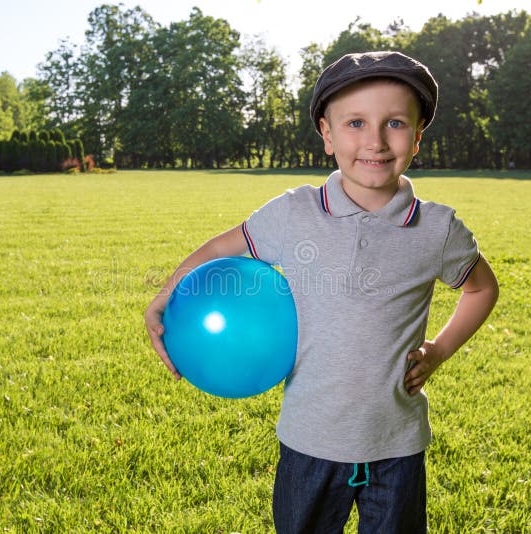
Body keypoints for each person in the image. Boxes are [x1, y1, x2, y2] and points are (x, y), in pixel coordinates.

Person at [145, 51, 499, 533]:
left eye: (394, 122)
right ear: (327, 135)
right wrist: (166, 294)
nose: (374, 140)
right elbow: (222, 248)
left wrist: (439, 349)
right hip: (308, 442)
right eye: (355, 122)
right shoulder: (294, 213)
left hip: (396, 445)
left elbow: (481, 288)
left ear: (418, 137)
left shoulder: (437, 229)